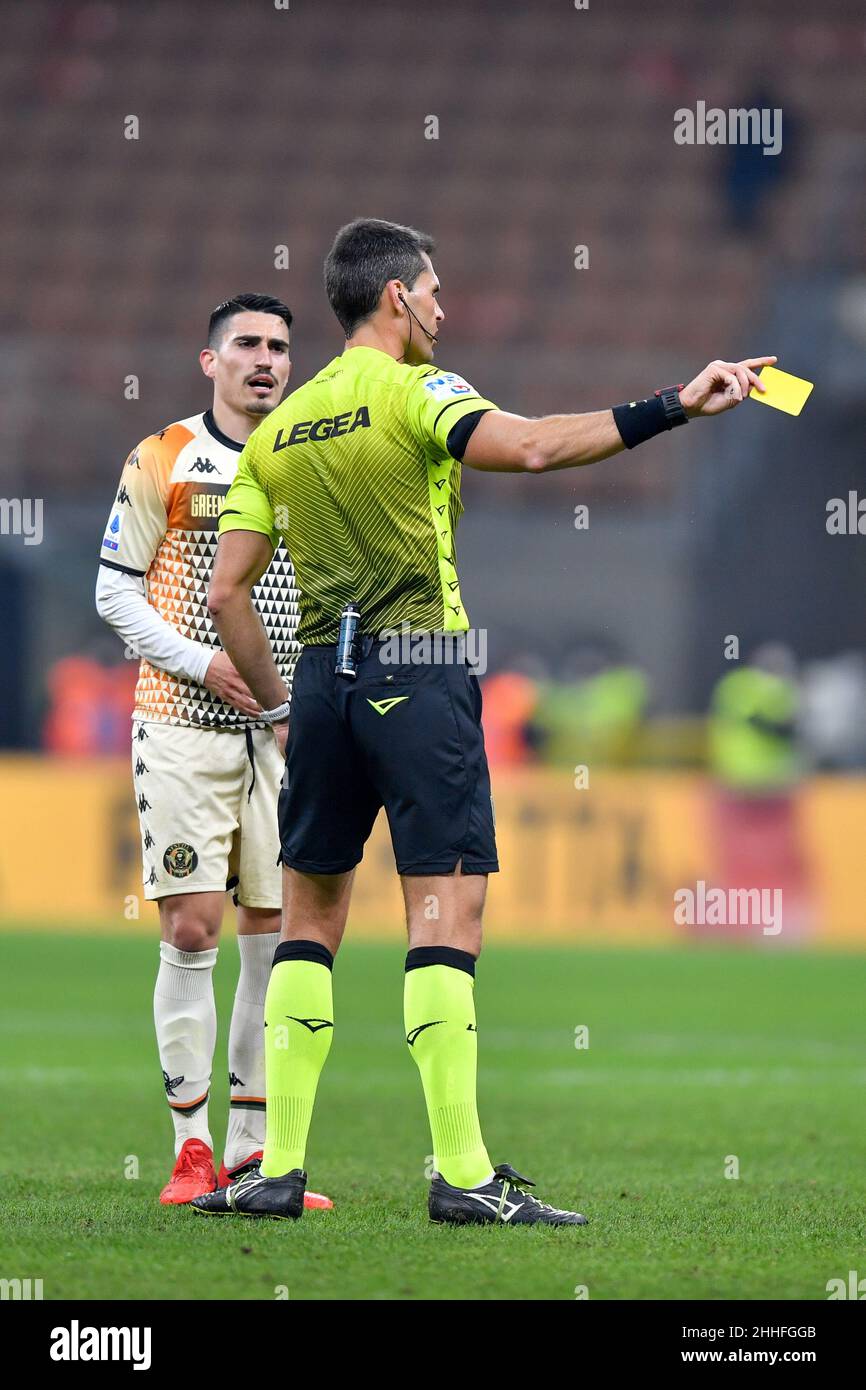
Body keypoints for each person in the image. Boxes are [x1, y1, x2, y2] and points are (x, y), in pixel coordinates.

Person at [195, 218, 774, 1226]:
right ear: (395, 300)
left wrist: (283, 703)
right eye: (433, 292)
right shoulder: (420, 391)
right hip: (420, 670)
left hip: (322, 690)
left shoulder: (281, 426)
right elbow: (537, 448)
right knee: (444, 917)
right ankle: (460, 1174)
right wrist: (676, 404)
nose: (442, 309)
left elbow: (226, 594)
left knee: (308, 918)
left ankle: (274, 1169)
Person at [96, 294, 329, 1210]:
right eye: (247, 345)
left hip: (284, 729)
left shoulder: (309, 463)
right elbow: (115, 593)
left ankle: (252, 1152)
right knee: (193, 927)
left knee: (274, 940)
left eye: (279, 345)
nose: (265, 359)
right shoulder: (162, 456)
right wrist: (204, 662)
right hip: (181, 718)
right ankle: (190, 1149)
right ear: (211, 361)